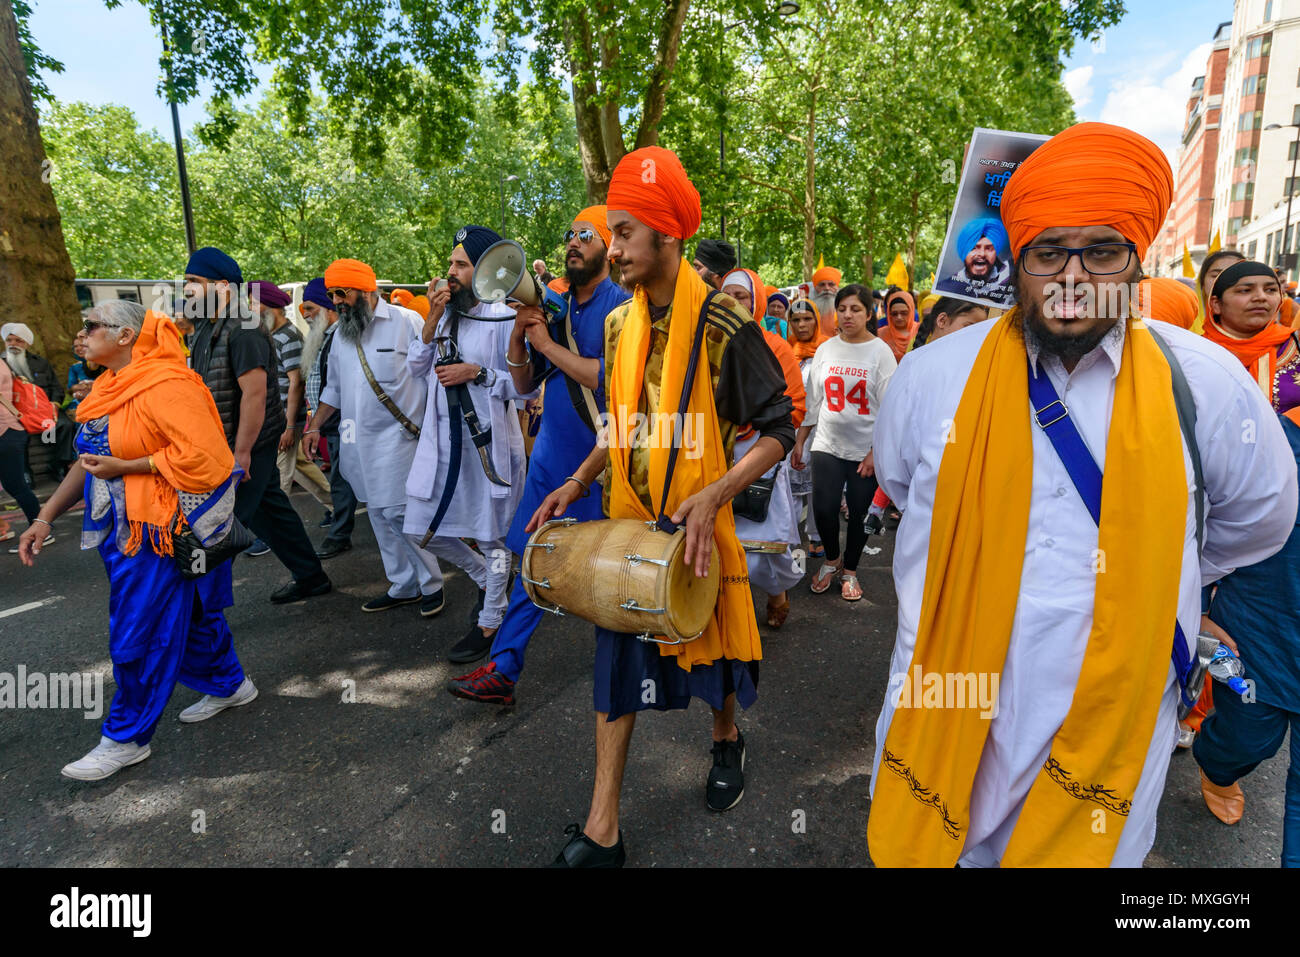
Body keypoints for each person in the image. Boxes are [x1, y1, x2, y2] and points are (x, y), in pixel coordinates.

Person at [867, 121, 1297, 868]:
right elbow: (905, 489)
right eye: (1048, 251)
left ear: (1135, 261)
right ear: (1018, 261)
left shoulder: (1209, 386)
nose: (1072, 275)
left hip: (1117, 730)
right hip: (944, 707)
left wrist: (1162, 578)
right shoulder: (931, 377)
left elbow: (1254, 523)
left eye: (1101, 251)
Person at [529, 146, 794, 866]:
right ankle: (602, 826)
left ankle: (726, 739)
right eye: (610, 233)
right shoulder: (619, 327)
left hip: (698, 537)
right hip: (627, 533)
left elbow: (779, 431)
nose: (611, 247)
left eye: (622, 232)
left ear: (667, 237)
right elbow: (620, 423)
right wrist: (580, 480)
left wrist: (715, 495)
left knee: (714, 667)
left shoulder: (726, 326)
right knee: (615, 668)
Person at [18, 302, 255, 780]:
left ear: (126, 336)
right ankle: (230, 684)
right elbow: (86, 462)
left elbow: (209, 459)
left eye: (91, 326)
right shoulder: (108, 386)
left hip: (160, 533)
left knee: (136, 633)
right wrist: (43, 517)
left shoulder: (169, 384)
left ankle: (125, 737)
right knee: (188, 615)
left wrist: (130, 467)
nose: (81, 335)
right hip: (120, 529)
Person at [448, 206, 628, 704]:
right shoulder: (558, 306)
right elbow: (526, 385)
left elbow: (609, 379)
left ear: (610, 248)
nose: (573, 243)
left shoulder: (624, 306)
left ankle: (616, 681)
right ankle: (503, 669)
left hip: (599, 463)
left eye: (586, 236)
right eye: (569, 235)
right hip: (551, 457)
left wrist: (546, 343)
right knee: (531, 559)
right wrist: (519, 337)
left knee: (598, 576)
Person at [402, 226, 531, 661]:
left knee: (494, 538)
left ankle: (491, 619)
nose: (450, 273)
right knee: (420, 529)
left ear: (484, 270)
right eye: (450, 264)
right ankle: (485, 580)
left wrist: (477, 373)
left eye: (460, 264)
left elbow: (526, 390)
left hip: (487, 447)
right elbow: (416, 370)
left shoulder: (503, 317)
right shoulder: (446, 315)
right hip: (441, 447)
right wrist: (432, 321)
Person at [183, 246, 331, 603]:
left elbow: (254, 394)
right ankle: (312, 577)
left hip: (246, 444)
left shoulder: (244, 328)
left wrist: (243, 453)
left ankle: (195, 605)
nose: (185, 289)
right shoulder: (206, 326)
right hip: (226, 441)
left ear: (220, 287)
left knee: (218, 524)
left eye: (193, 282)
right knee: (271, 514)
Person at [303, 259, 445, 615]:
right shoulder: (339, 337)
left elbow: (434, 371)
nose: (336, 300)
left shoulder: (407, 322)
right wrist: (314, 425)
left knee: (401, 513)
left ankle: (431, 584)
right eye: (333, 294)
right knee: (379, 515)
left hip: (402, 440)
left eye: (343, 292)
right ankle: (402, 584)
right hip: (358, 444)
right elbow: (333, 389)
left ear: (367, 290)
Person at [1191, 408, 1300, 865]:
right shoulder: (1272, 432)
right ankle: (1215, 769)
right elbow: (1199, 516)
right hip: (1252, 634)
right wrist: (1193, 610)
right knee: (1243, 740)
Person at [794, 283, 896, 601]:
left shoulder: (881, 353)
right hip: (826, 443)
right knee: (823, 509)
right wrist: (801, 442)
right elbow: (814, 401)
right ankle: (831, 561)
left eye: (855, 309)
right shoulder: (826, 349)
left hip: (865, 450)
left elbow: (891, 408)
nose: (847, 315)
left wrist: (874, 452)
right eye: (842, 309)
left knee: (858, 511)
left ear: (869, 313)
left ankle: (850, 571)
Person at [722, 267, 806, 626]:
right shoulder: (709, 341)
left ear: (755, 301)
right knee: (724, 541)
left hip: (763, 453)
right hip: (718, 453)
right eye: (726, 296)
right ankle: (729, 606)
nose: (732, 303)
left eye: (740, 296)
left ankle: (777, 590)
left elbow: (795, 406)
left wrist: (765, 437)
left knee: (765, 547)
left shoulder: (776, 347)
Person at [252, 280, 333, 514]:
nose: (250, 309)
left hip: (286, 418)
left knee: (279, 476)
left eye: (255, 303)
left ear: (271, 307)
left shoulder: (288, 336)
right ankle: (338, 506)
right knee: (298, 465)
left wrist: (288, 426)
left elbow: (296, 382)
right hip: (277, 417)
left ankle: (278, 529)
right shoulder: (271, 335)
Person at [300, 277, 357, 559]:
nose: (306, 315)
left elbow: (339, 385)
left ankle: (340, 534)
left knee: (341, 478)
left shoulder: (343, 335)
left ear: (326, 307)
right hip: (331, 422)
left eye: (309, 308)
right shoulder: (327, 335)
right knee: (341, 477)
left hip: (343, 422)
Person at [1203, 260, 1299, 416]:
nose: (1261, 297)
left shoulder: (1295, 345)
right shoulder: (1194, 351)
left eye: (1270, 290)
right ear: (1216, 304)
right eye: (1245, 290)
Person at [3, 321, 76, 477]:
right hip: (14, 411)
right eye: (9, 340)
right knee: (15, 430)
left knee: (66, 425)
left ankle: (58, 465)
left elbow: (56, 388)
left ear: (27, 343)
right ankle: (24, 472)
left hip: (45, 409)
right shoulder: (1, 364)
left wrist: (54, 405)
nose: (13, 344)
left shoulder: (40, 363)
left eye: (18, 340)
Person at [786, 297, 827, 558]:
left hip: (820, 429)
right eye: (796, 320)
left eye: (807, 319)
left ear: (817, 321)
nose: (802, 324)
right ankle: (788, 538)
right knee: (788, 488)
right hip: (790, 428)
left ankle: (815, 536)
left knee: (817, 487)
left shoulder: (828, 351)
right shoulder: (786, 352)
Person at [0, 352, 43, 544]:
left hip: (6, 431)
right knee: (14, 485)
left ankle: (41, 530)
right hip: (8, 430)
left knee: (16, 486)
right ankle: (2, 529)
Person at [936, 217, 1012, 302]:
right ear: (964, 251)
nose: (982, 254)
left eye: (989, 248)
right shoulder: (945, 288)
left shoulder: (1011, 277)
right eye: (974, 248)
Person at [909, 296, 989, 350]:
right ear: (942, 321)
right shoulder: (913, 362)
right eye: (969, 327)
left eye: (979, 331)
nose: (976, 337)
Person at [1194, 249, 1245, 334]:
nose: (1224, 280)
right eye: (1216, 275)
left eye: (1234, 275)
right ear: (1202, 282)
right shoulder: (1181, 320)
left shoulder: (1260, 322)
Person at [65, 327, 105, 415]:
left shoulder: (104, 363)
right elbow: (70, 388)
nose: (79, 348)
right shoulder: (75, 367)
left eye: (81, 345)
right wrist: (79, 387)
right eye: (75, 346)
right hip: (80, 402)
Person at [878, 287, 919, 361]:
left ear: (911, 311)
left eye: (904, 313)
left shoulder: (921, 330)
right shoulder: (880, 334)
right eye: (894, 314)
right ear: (889, 313)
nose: (899, 317)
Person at [810, 265, 841, 338]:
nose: (826, 288)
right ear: (815, 289)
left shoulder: (846, 311)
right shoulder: (806, 310)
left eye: (831, 284)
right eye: (822, 285)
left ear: (837, 287)